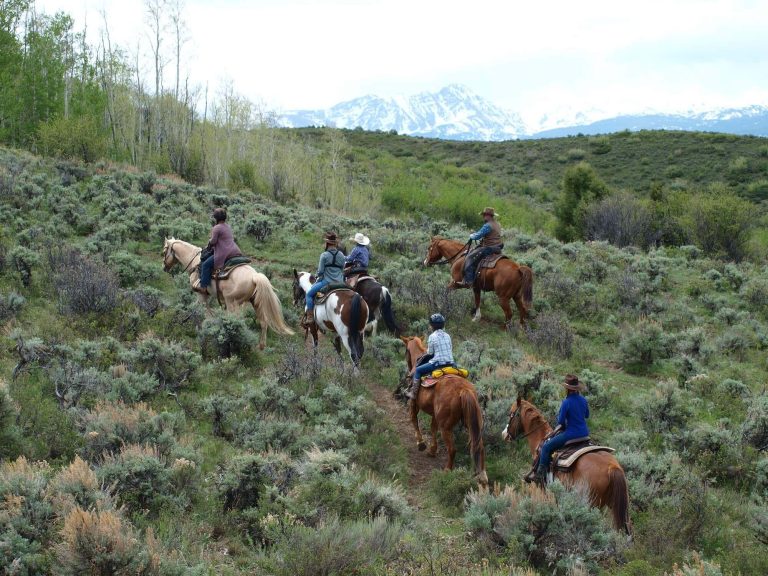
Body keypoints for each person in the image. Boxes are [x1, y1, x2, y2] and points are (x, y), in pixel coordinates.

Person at [528, 374, 590, 487]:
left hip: (571, 434)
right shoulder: (583, 400)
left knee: (546, 447)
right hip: (585, 434)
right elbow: (587, 415)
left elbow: (560, 422)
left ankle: (539, 476)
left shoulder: (566, 402)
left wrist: (562, 418)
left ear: (567, 389)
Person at [405, 313, 455, 400]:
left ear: (432, 326)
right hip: (451, 364)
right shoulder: (448, 336)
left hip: (438, 364)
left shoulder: (432, 336)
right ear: (443, 325)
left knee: (418, 370)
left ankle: (413, 393)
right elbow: (450, 349)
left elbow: (430, 352)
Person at [302, 232, 346, 326]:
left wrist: (318, 277)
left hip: (326, 282)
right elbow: (342, 269)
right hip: (340, 282)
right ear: (335, 244)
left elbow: (320, 271)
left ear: (327, 243)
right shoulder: (341, 255)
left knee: (309, 294)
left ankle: (310, 317)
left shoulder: (324, 255)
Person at [196, 207, 242, 295]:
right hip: (234, 250)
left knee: (205, 265)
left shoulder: (217, 228)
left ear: (216, 218)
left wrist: (209, 242)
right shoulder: (228, 226)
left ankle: (203, 287)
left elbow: (213, 241)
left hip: (223, 252)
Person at [455, 207, 503, 288]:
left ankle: (469, 281)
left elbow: (477, 236)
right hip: (498, 247)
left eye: (484, 215)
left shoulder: (487, 225)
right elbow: (490, 235)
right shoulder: (498, 224)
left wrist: (471, 235)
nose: (483, 217)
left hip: (488, 248)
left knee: (469, 258)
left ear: (488, 216)